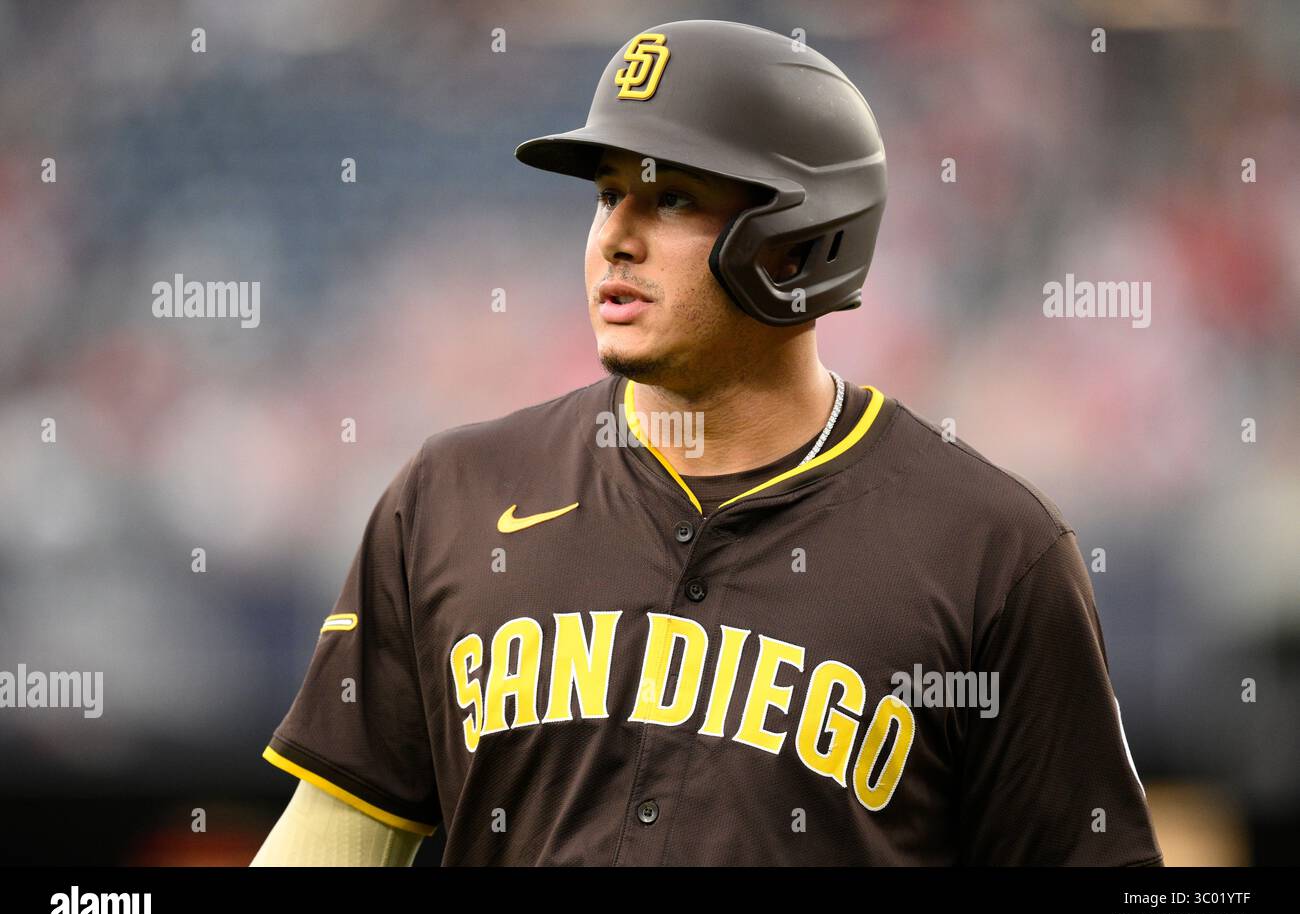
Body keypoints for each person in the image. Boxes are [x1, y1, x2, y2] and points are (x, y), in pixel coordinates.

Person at [252, 19, 1163, 866]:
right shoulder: (453, 495)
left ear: (802, 239)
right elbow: (333, 840)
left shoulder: (990, 549)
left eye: (672, 198)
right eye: (608, 196)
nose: (615, 237)